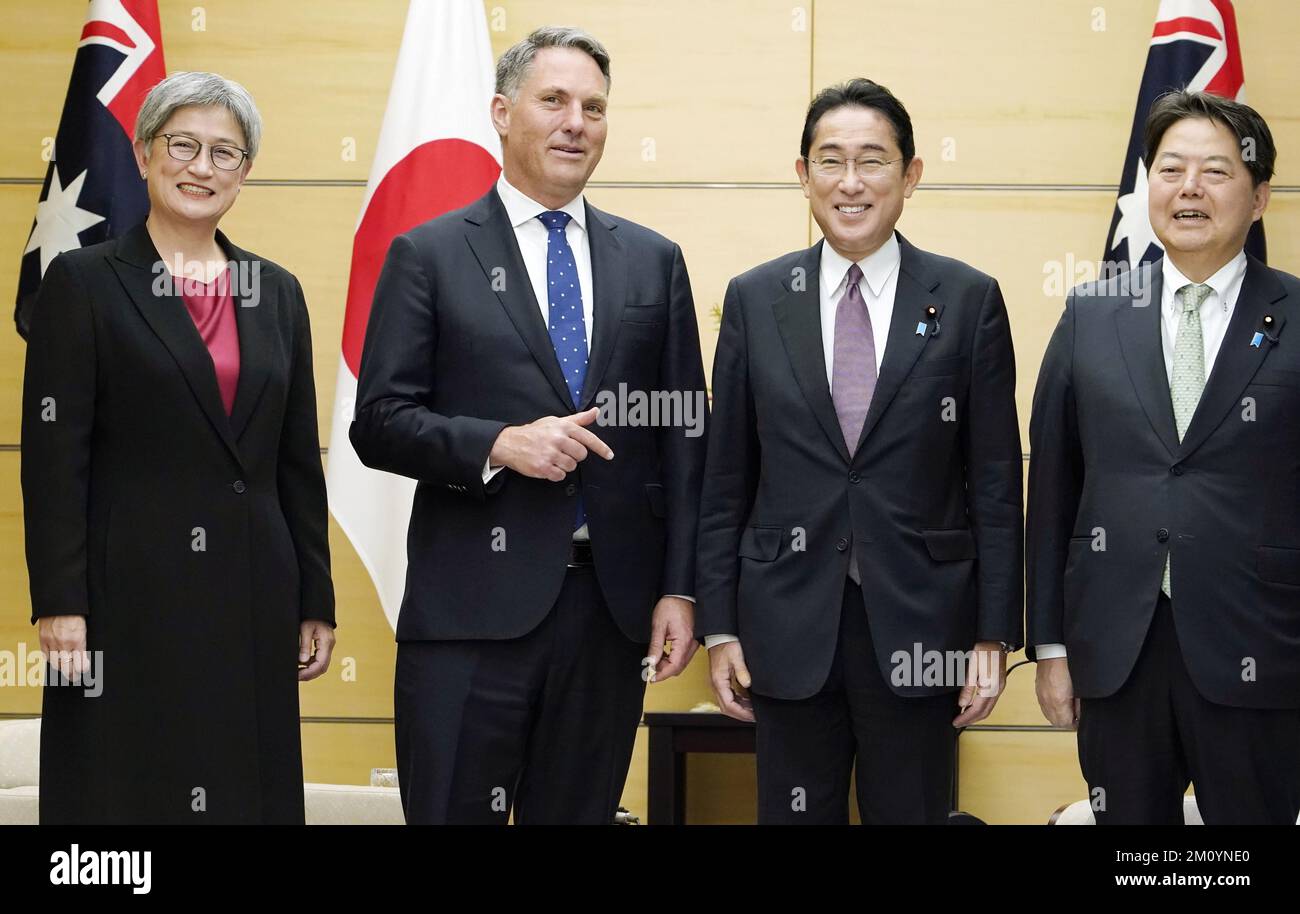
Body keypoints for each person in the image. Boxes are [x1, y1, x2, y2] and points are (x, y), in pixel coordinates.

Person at [350, 26, 707, 825]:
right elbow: (377, 422)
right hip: (469, 616)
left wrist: (682, 588)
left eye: (594, 107)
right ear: (503, 113)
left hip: (608, 618)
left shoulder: (654, 261)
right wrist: (496, 443)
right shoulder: (429, 254)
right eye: (554, 101)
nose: (575, 121)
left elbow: (688, 442)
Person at [696, 79, 1023, 824]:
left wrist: (992, 635)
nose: (850, 182)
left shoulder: (969, 300)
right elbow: (725, 480)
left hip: (923, 626)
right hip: (785, 624)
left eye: (872, 160)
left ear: (910, 174)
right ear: (802, 173)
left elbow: (997, 484)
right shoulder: (755, 298)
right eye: (830, 160)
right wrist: (720, 626)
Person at [21, 71, 335, 824]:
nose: (203, 168)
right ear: (143, 153)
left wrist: (314, 598)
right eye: (183, 145)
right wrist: (60, 602)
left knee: (240, 790)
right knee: (126, 792)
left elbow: (296, 461)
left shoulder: (278, 291)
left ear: (246, 172)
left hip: (255, 591)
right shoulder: (84, 282)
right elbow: (53, 457)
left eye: (226, 153)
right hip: (126, 594)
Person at [1028, 90, 1300, 824]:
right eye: (1170, 168)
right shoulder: (1091, 315)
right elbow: (1052, 488)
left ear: (1260, 195)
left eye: (1215, 171)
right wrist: (1049, 644)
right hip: (1118, 650)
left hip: (1262, 650)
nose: (1189, 188)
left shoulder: (1297, 317)